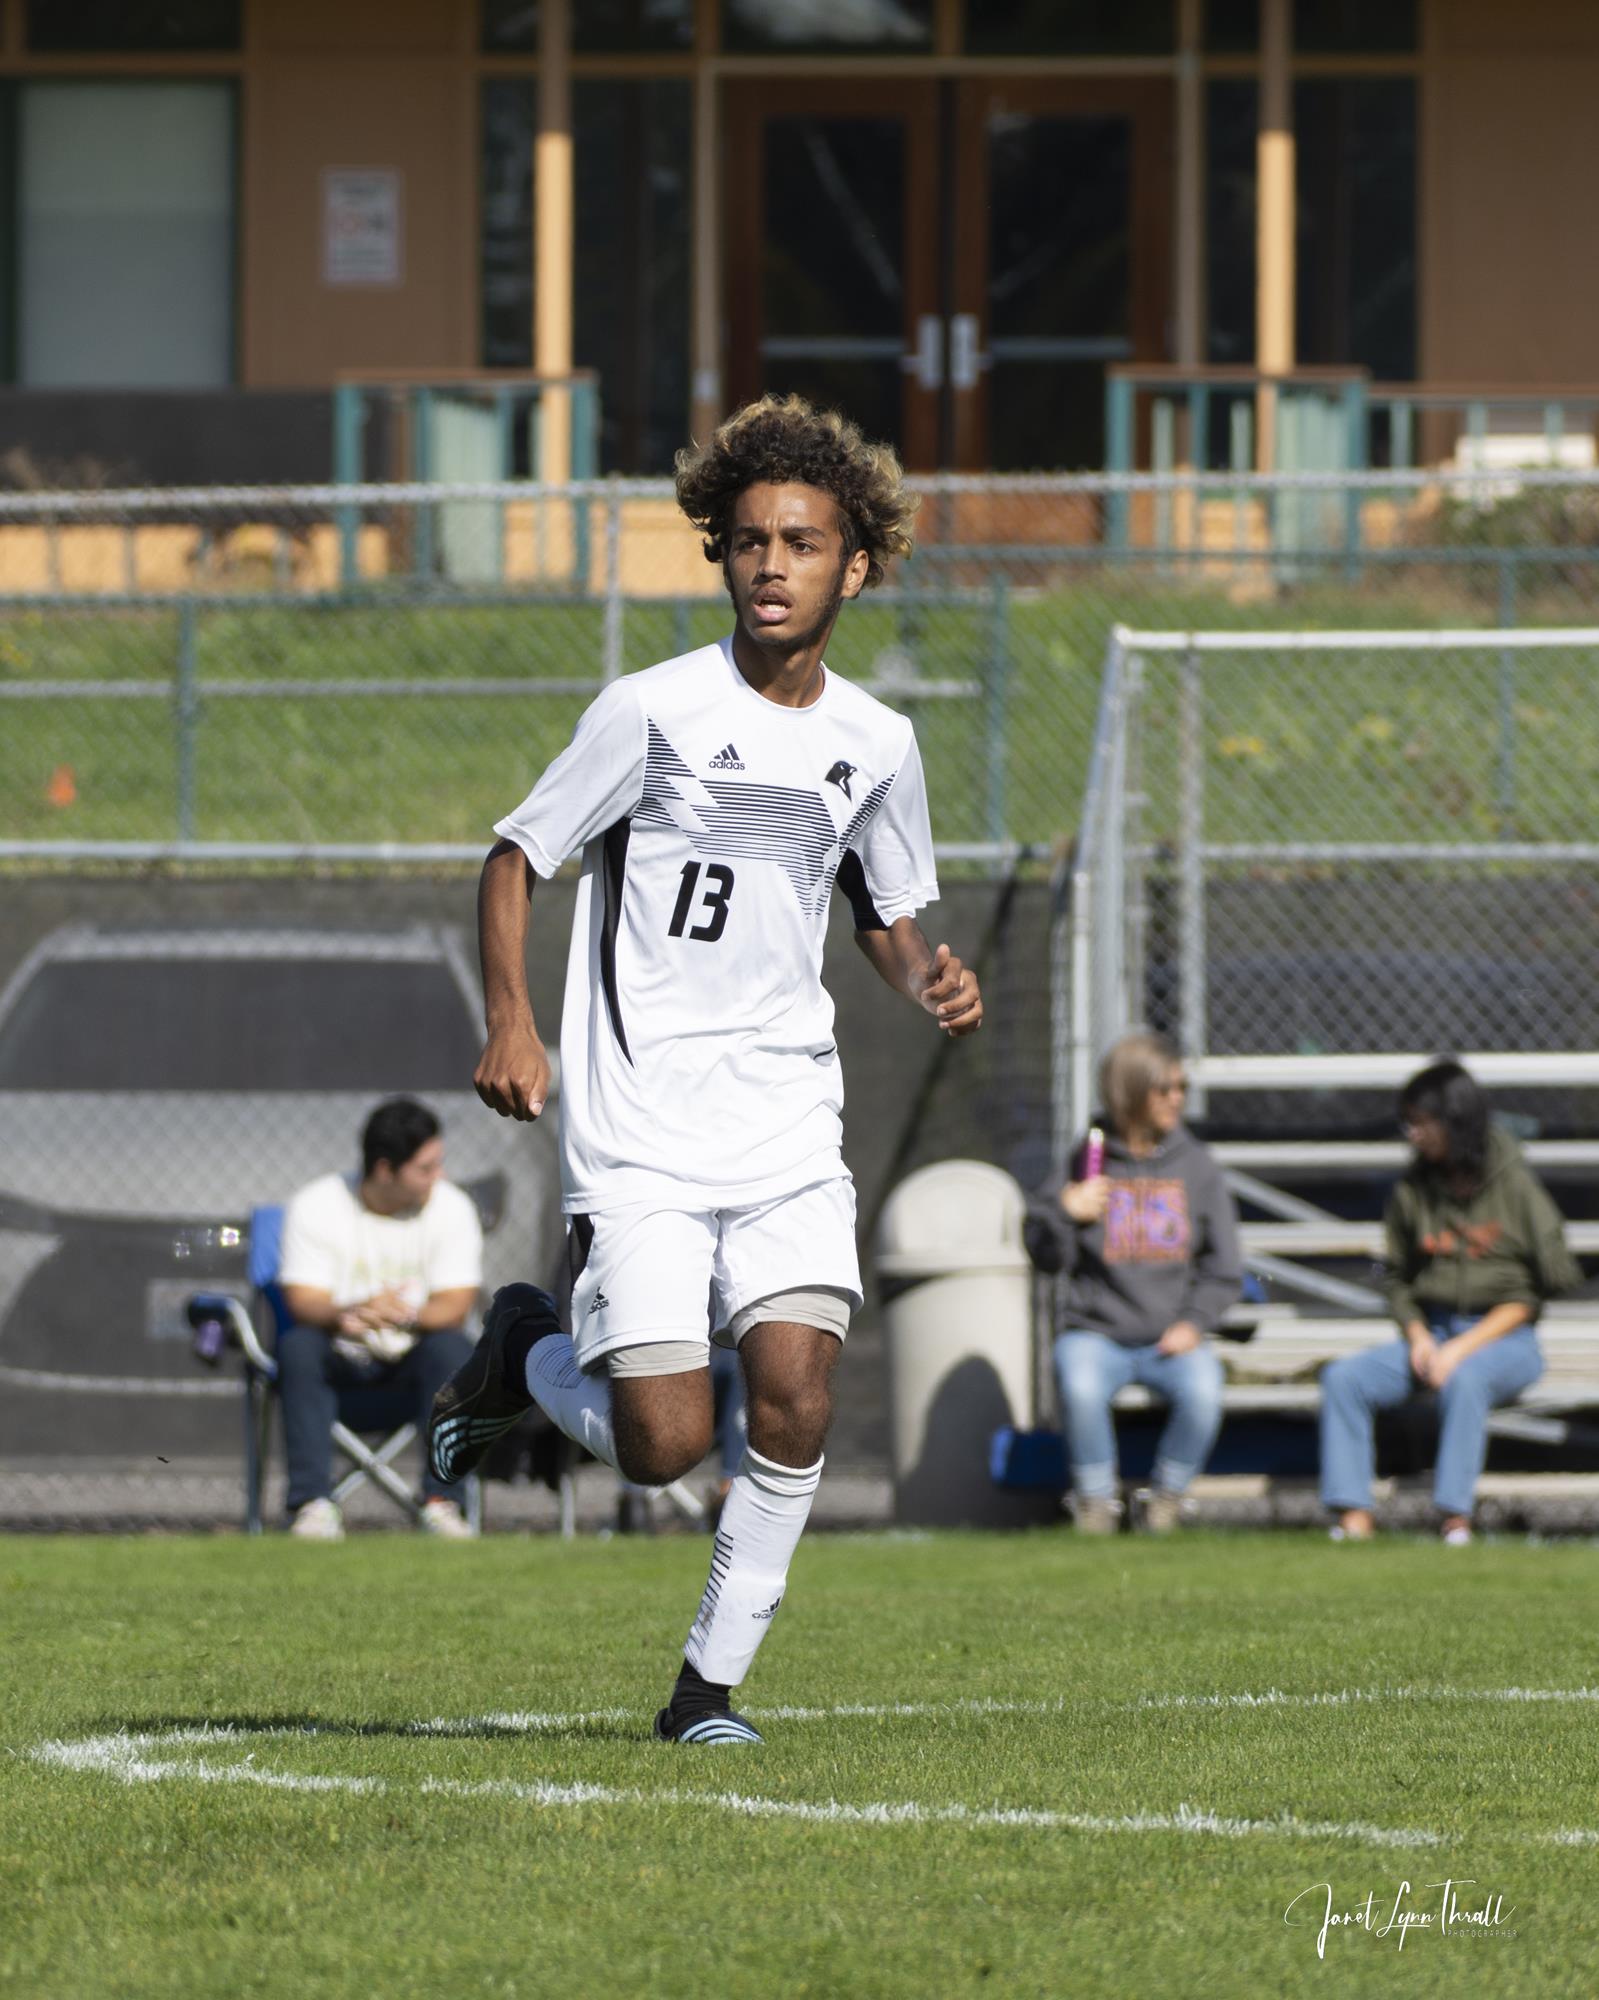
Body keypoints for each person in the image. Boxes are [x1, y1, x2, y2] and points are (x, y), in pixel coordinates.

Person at [429, 394, 983, 1743]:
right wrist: (511, 1019)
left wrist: (929, 977)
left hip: (784, 1108)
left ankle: (703, 1694)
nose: (771, 565)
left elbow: (882, 910)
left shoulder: (877, 742)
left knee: (796, 1391)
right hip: (641, 1125)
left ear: (854, 565)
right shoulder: (649, 709)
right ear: (720, 558)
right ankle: (525, 1348)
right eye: (746, 542)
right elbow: (515, 859)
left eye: (800, 542)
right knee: (664, 1444)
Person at [1320, 1059, 1579, 1545]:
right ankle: (1353, 1515)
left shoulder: (1514, 1184)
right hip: (1434, 1329)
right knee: (1344, 1379)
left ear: (1455, 1120)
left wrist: (1460, 1349)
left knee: (1466, 1380)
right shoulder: (1412, 1190)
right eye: (1408, 1122)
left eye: (1421, 1121)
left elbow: (1544, 1284)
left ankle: (1453, 1518)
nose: (1412, 1133)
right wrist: (1417, 1334)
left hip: (1506, 1337)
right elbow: (1397, 1279)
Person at [1024, 1031, 1241, 1535]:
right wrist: (1064, 1210)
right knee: (1078, 1380)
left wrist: (1195, 1323)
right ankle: (1096, 1505)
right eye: (1163, 1089)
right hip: (1097, 1333)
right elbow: (1044, 1255)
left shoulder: (1196, 1166)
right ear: (1130, 1093)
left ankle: (1165, 1500)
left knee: (1205, 1388)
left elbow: (1224, 1265)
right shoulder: (1088, 1159)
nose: (1176, 1099)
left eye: (1181, 1087)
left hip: (1171, 1337)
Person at [278, 1096, 483, 1541]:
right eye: (425, 1168)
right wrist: (348, 1313)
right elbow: (302, 1300)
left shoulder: (452, 1208)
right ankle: (312, 1504)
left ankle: (442, 1502)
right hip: (340, 1364)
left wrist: (404, 1317)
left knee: (453, 1349)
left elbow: (455, 1305)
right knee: (298, 1347)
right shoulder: (316, 1204)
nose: (439, 1177)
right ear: (386, 1170)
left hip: (414, 1371)